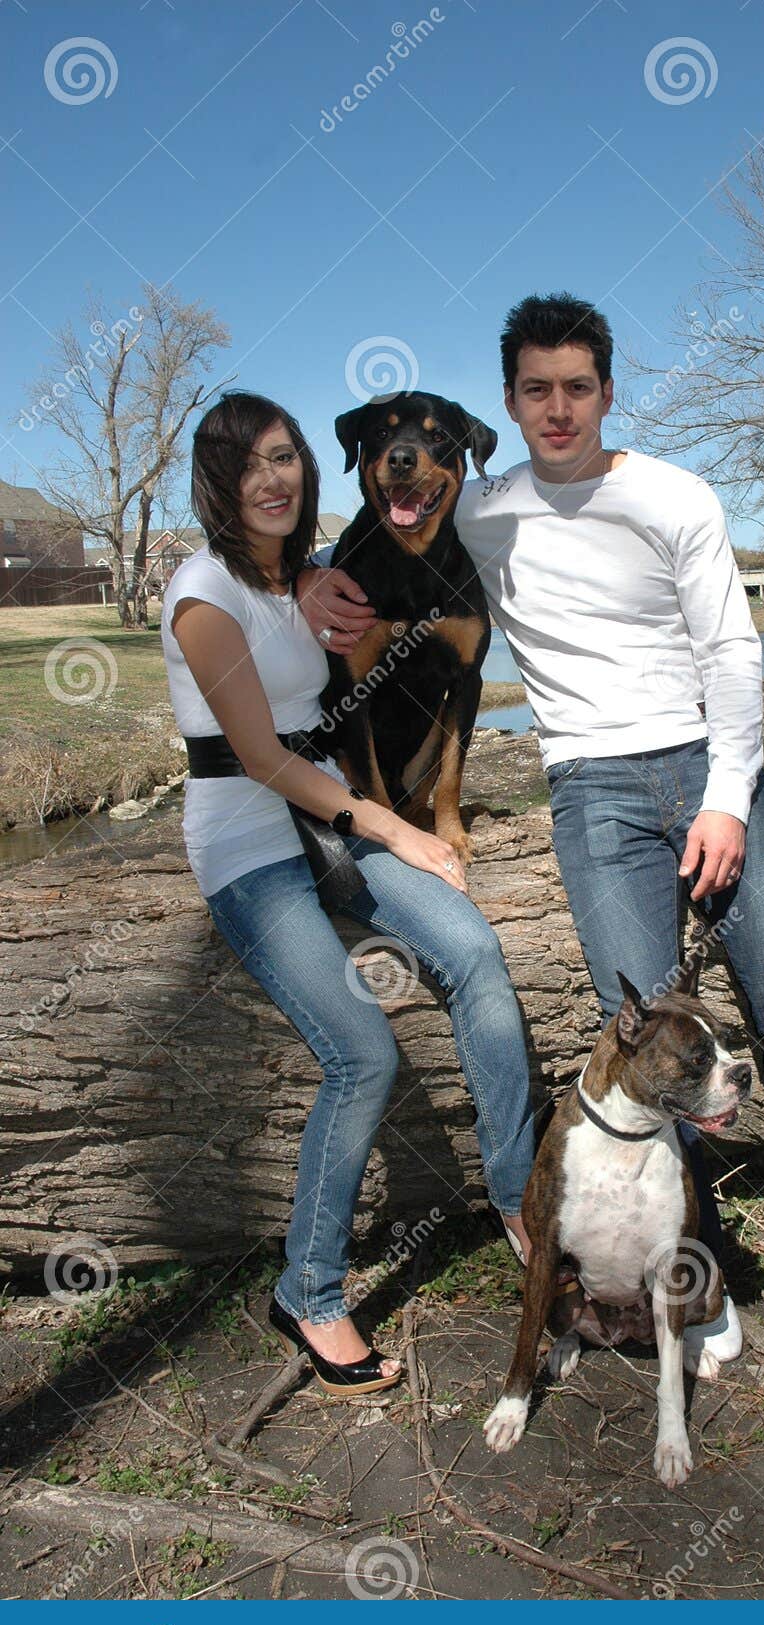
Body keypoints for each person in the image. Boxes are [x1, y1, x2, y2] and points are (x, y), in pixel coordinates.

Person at [299, 295, 764, 1353]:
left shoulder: (672, 495)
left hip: (708, 771)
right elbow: (365, 545)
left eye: (577, 387)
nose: (558, 408)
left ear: (606, 392)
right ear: (511, 402)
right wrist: (307, 581)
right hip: (592, 789)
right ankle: (693, 1270)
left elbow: (732, 655)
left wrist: (723, 795)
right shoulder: (475, 507)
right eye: (536, 389)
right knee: (648, 1041)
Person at [162, 389, 535, 1398]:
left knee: (477, 955)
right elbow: (260, 758)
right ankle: (311, 1290)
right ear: (217, 484)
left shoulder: (309, 575)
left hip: (333, 821)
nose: (271, 478)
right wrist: (396, 826)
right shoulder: (202, 591)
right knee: (361, 1050)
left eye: (283, 457)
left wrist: (320, 580)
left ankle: (516, 1197)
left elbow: (348, 658)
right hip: (255, 840)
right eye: (247, 467)